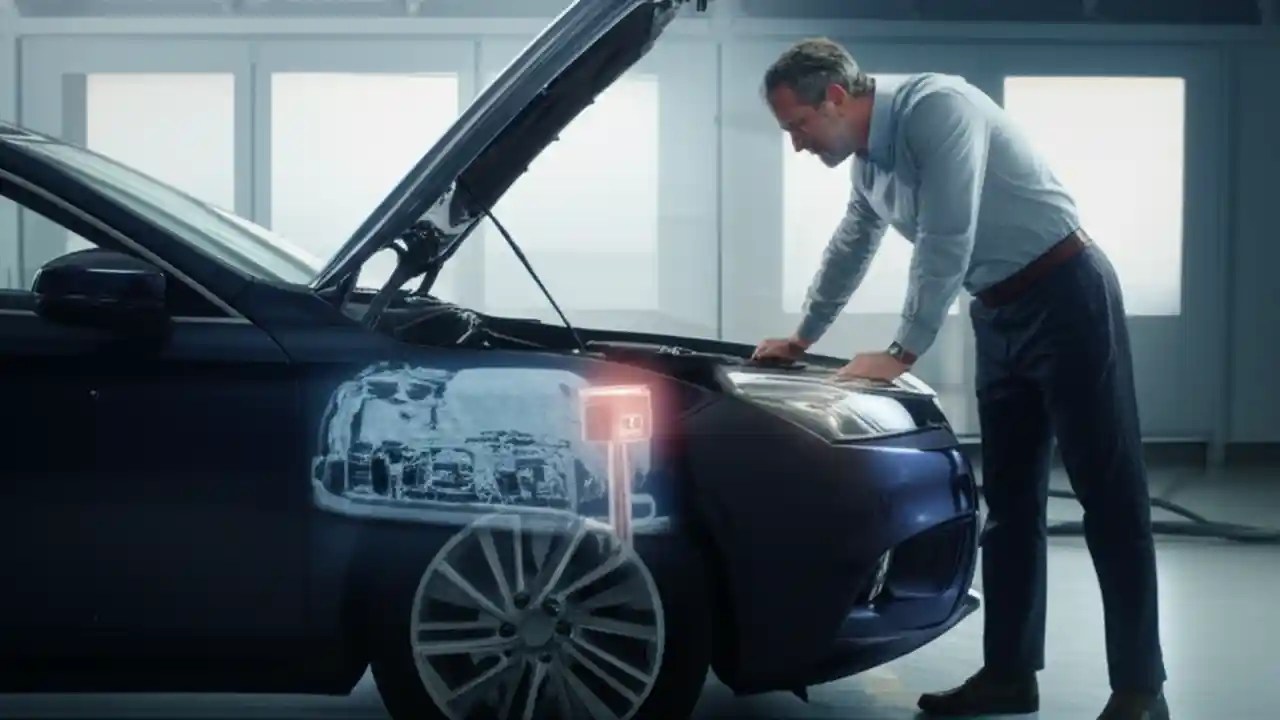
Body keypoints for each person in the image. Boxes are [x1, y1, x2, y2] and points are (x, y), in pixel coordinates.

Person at [752, 38, 1170, 720]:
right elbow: (850, 247)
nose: (796, 144)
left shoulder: (937, 108)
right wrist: (804, 337)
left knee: (1111, 500)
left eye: (797, 125)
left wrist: (903, 350)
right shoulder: (867, 168)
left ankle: (1140, 691)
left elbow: (950, 233)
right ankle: (1009, 676)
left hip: (1068, 294)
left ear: (834, 97)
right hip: (997, 313)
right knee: (1007, 509)